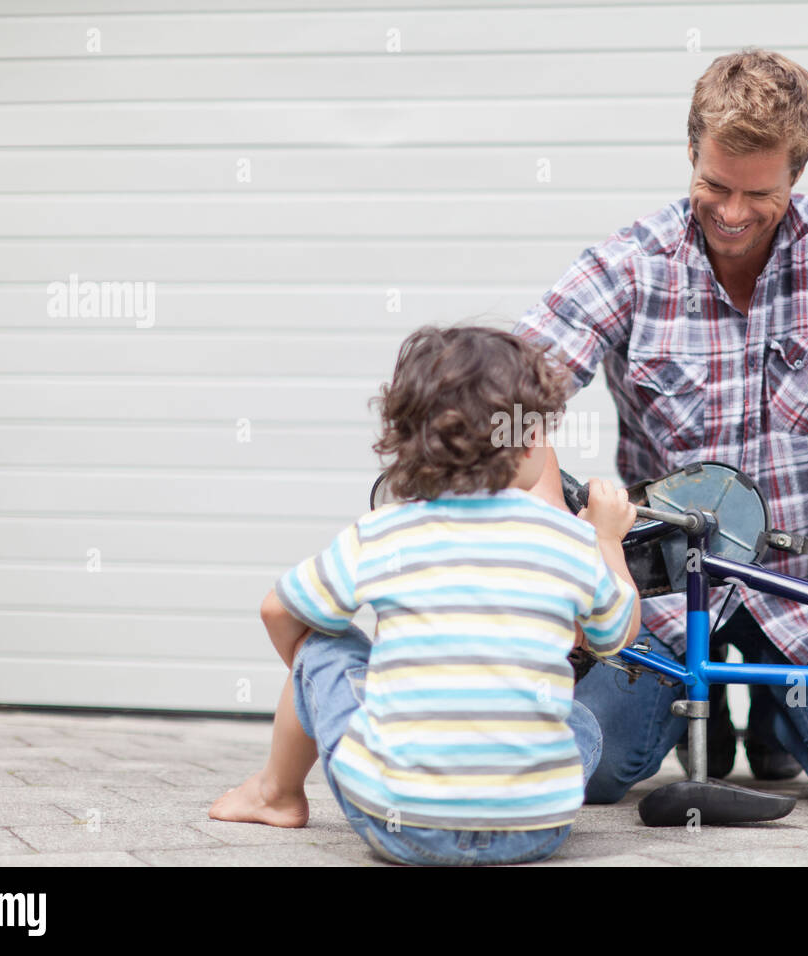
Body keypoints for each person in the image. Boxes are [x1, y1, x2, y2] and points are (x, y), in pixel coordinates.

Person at [513, 48, 808, 810]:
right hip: (666, 595)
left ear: (798, 172)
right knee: (589, 769)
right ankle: (694, 709)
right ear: (690, 153)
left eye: (760, 192)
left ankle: (778, 716)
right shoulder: (631, 263)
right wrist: (563, 540)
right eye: (715, 185)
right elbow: (510, 395)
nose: (735, 212)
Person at [209, 325, 641, 865]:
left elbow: (276, 608)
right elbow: (616, 635)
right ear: (530, 438)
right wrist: (606, 539)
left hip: (400, 827)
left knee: (322, 641)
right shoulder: (568, 540)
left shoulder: (385, 530)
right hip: (534, 831)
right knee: (578, 722)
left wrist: (310, 680)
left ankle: (275, 792)